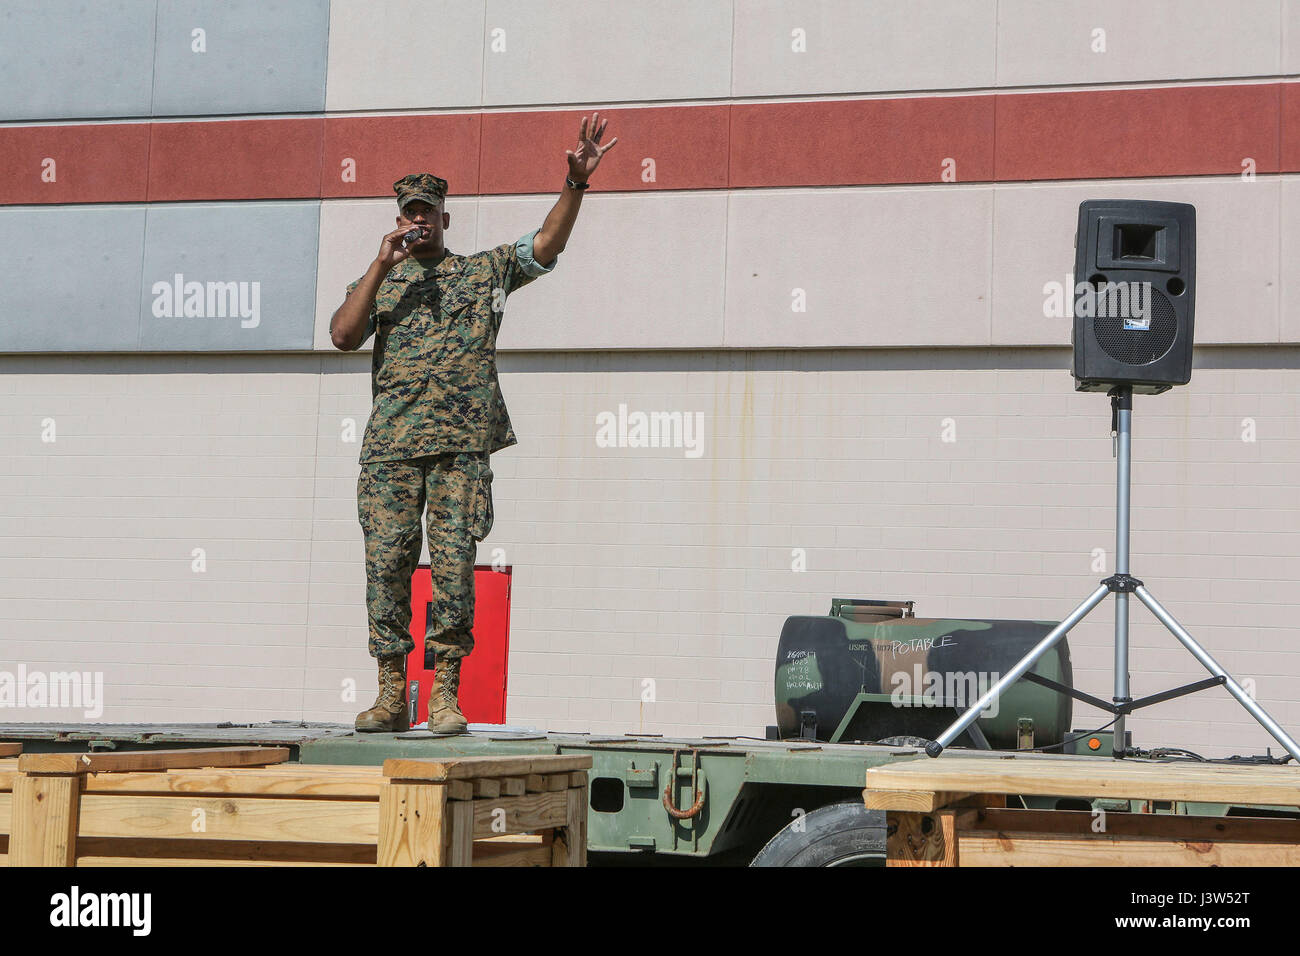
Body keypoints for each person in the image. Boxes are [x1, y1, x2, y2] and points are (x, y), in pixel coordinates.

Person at [329, 113, 618, 734]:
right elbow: (342, 336)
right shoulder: (382, 280)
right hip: (391, 453)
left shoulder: (480, 272)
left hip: (460, 451)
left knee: (454, 566)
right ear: (398, 218)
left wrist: (575, 184)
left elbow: (545, 246)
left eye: (429, 211)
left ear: (445, 218)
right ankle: (388, 691)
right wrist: (381, 264)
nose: (420, 220)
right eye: (410, 212)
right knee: (387, 565)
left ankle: (444, 696)